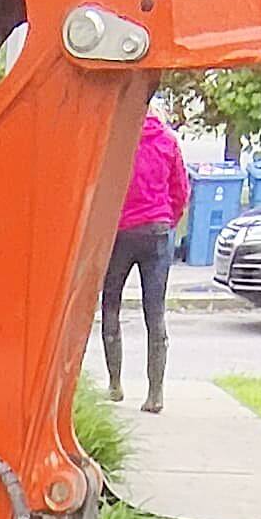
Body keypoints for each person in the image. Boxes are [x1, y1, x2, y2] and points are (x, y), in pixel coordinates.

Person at [99, 92, 191, 414]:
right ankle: (155, 394)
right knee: (155, 312)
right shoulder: (167, 141)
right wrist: (168, 220)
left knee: (111, 304)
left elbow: (103, 186)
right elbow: (181, 189)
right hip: (157, 230)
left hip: (121, 232)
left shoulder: (116, 140)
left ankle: (114, 384)